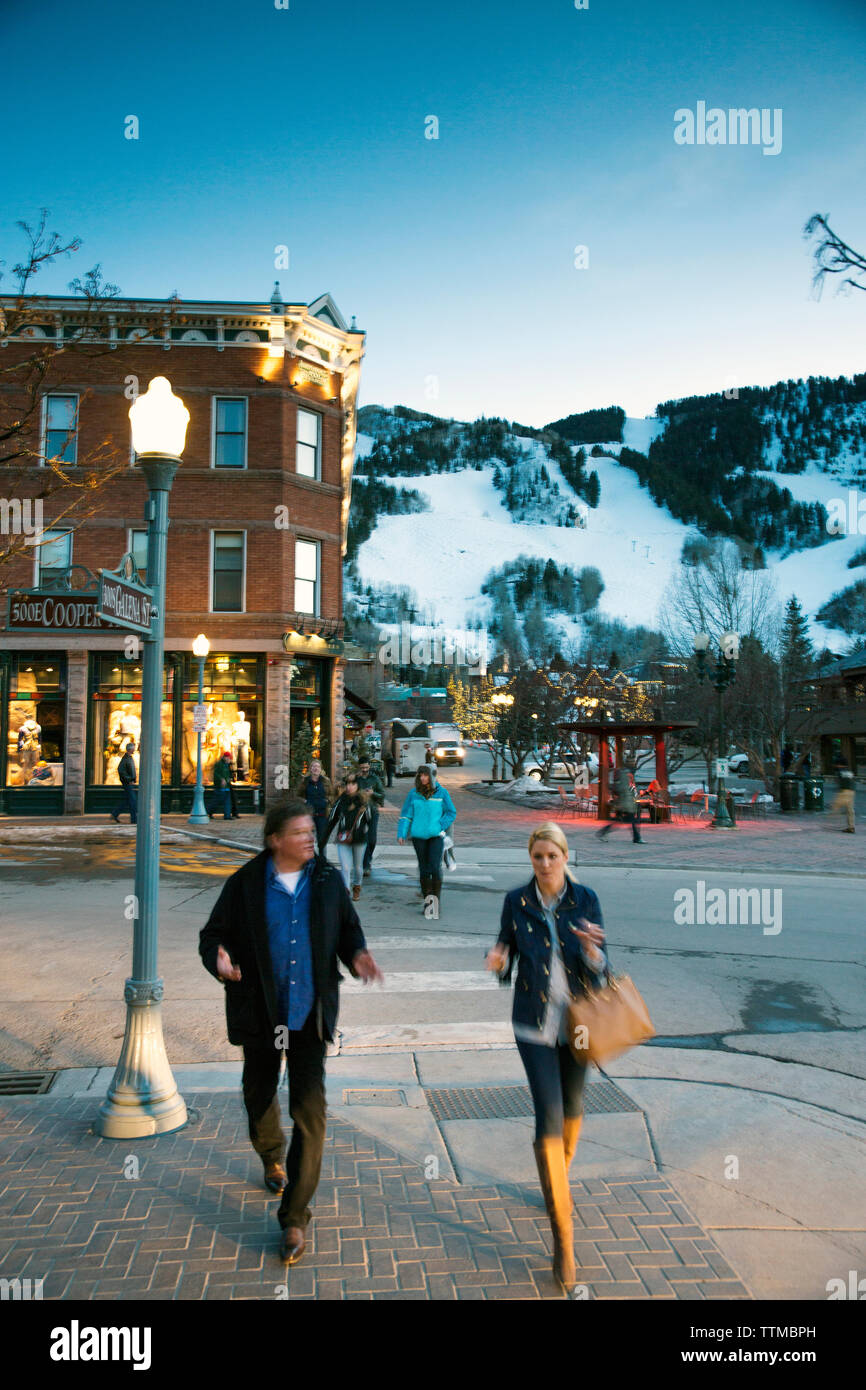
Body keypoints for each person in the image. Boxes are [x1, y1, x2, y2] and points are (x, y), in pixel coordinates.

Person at [199, 800, 383, 1265]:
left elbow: (348, 930)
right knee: (259, 1093)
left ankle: (295, 1216)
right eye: (299, 832)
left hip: (308, 1014)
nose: (309, 837)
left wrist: (357, 955)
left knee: (310, 1112)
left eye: (310, 830)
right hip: (261, 1012)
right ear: (274, 840)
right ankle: (269, 1153)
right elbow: (212, 935)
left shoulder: (327, 881)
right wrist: (219, 957)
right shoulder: (245, 885)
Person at [485, 822, 608, 1293]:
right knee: (549, 1118)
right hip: (533, 1026)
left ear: (565, 855)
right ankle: (563, 1235)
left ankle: (557, 1183)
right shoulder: (516, 901)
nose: (545, 864)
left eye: (552, 856)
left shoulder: (587, 899)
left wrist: (593, 953)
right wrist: (498, 958)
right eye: (537, 856)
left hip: (577, 1023)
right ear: (530, 858)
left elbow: (601, 967)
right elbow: (506, 951)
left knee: (574, 1110)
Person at [397, 765, 456, 915]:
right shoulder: (413, 793)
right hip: (419, 837)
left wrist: (439, 825)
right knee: (424, 869)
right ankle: (428, 903)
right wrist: (402, 833)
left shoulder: (442, 792)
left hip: (436, 836)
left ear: (431, 776)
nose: (423, 778)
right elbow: (406, 815)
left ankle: (435, 904)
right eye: (420, 775)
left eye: (425, 775)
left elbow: (451, 812)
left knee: (435, 868)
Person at [322, 775, 371, 900]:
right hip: (343, 838)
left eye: (352, 784)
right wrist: (323, 839)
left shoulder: (364, 801)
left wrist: (370, 836)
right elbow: (331, 820)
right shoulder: (341, 801)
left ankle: (357, 886)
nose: (349, 787)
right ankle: (345, 891)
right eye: (347, 784)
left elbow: (371, 820)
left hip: (360, 839)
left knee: (358, 867)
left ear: (357, 786)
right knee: (345, 867)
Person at [596, 766, 642, 844]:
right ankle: (637, 838)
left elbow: (619, 791)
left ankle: (603, 832)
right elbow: (624, 793)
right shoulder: (625, 779)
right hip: (625, 805)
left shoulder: (621, 779)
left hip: (622, 804)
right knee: (633, 821)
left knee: (620, 821)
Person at [356, 757, 385, 877]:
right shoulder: (356, 779)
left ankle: (368, 857)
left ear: (369, 767)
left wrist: (373, 793)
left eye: (366, 768)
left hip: (372, 810)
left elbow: (382, 794)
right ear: (359, 767)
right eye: (362, 768)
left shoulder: (375, 779)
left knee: (372, 839)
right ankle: (365, 865)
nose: (364, 770)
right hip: (359, 811)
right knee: (362, 839)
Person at [296, 759, 333, 850]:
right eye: (313, 766)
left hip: (322, 814)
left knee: (322, 840)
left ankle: (322, 860)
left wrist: (327, 801)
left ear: (321, 769)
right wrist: (305, 802)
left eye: (318, 766)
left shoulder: (326, 781)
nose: (315, 768)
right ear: (310, 769)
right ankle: (310, 860)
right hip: (309, 815)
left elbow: (332, 794)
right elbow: (298, 796)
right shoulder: (305, 781)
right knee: (308, 839)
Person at [110, 742, 138, 824]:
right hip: (127, 783)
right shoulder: (126, 759)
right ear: (130, 749)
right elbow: (121, 770)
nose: (134, 749)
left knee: (127, 800)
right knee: (133, 801)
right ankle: (134, 820)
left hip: (129, 783)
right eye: (133, 748)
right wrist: (129, 779)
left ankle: (115, 814)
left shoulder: (129, 758)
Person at [832, 759, 856, 833]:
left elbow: (839, 782)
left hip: (844, 791)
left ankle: (833, 822)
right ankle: (851, 827)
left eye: (837, 764)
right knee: (850, 810)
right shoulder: (849, 771)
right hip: (852, 791)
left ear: (839, 764)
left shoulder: (840, 771)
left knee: (835, 806)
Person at [210, 750, 234, 821]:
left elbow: (228, 774)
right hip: (220, 787)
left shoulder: (227, 765)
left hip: (226, 787)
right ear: (225, 757)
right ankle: (209, 811)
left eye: (230, 759)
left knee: (227, 801)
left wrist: (229, 779)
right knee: (216, 801)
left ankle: (227, 816)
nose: (229, 760)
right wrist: (221, 779)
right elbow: (216, 774)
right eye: (229, 758)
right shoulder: (219, 764)